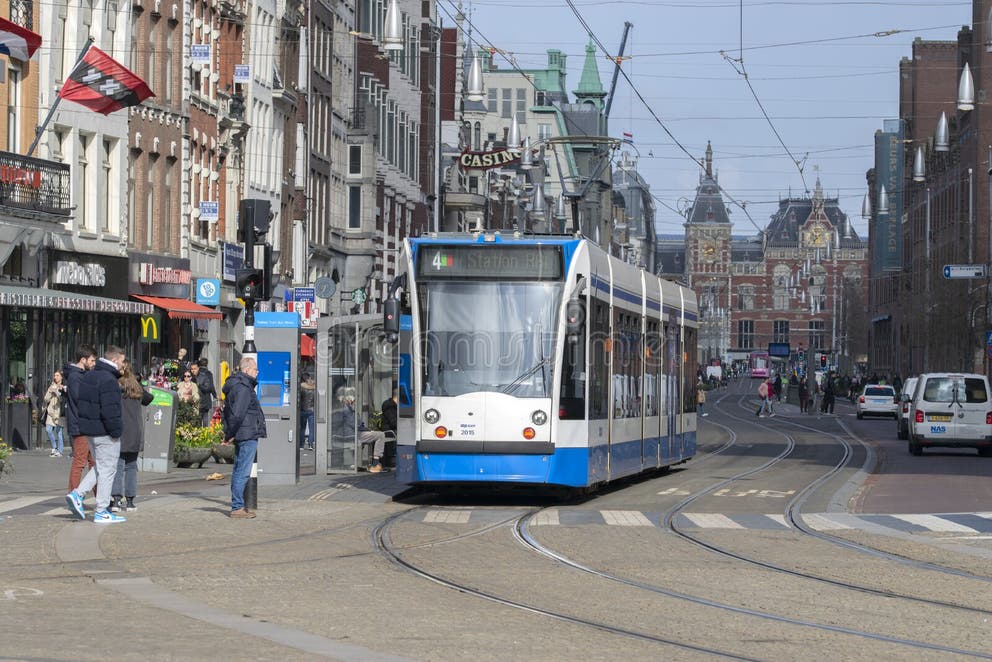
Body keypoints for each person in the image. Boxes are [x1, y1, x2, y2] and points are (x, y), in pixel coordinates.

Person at [64, 346, 127, 524]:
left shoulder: (90, 375)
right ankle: (101, 510)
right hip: (105, 431)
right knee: (108, 470)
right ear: (115, 360)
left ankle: (77, 494)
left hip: (90, 430)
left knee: (100, 466)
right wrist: (116, 432)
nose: (123, 365)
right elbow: (111, 411)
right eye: (122, 361)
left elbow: (81, 404)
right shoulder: (109, 380)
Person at [222, 357, 267, 519]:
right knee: (242, 471)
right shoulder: (243, 388)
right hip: (247, 434)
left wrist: (230, 433)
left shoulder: (238, 385)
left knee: (239, 469)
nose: (257, 372)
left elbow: (232, 412)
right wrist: (229, 434)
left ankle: (238, 504)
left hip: (243, 432)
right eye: (255, 370)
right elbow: (238, 414)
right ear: (247, 370)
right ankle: (237, 507)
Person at [111, 360, 153, 513]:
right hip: (135, 432)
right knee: (131, 467)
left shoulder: (115, 386)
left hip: (120, 431)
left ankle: (115, 500)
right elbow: (149, 399)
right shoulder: (137, 388)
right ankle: (130, 502)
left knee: (118, 467)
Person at [65, 345, 97, 493]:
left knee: (94, 462)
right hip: (81, 424)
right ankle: (73, 495)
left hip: (88, 424)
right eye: (92, 360)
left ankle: (100, 497)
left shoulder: (83, 375)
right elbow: (80, 398)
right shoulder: (75, 376)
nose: (94, 363)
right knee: (80, 461)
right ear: (83, 359)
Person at [336, 387, 387, 473]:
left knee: (375, 435)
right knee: (380, 435)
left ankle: (356, 463)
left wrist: (366, 429)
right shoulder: (346, 409)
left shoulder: (347, 408)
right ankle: (375, 463)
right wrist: (367, 430)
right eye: (354, 399)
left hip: (354, 432)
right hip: (352, 434)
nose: (355, 401)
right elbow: (354, 424)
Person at [43, 370, 67, 457]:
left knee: (59, 432)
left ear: (61, 377)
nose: (55, 377)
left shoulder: (63, 387)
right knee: (48, 430)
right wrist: (50, 392)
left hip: (59, 412)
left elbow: (62, 400)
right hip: (51, 412)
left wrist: (57, 392)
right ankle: (54, 447)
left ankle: (60, 451)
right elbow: (45, 399)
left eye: (57, 375)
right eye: (54, 375)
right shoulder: (52, 385)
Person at [191, 359, 216, 427]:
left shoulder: (204, 376)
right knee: (199, 420)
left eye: (195, 369)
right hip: (195, 401)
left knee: (204, 419)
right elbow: (211, 386)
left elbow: (208, 387)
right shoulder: (189, 377)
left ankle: (204, 434)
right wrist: (215, 395)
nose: (193, 370)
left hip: (204, 401)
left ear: (198, 368)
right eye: (192, 369)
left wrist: (199, 384)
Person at [299, 373, 316, 449]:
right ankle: (310, 445)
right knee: (311, 429)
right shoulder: (314, 389)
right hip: (312, 410)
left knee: (302, 428)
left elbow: (300, 399)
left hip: (303, 410)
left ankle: (301, 445)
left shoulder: (302, 388)